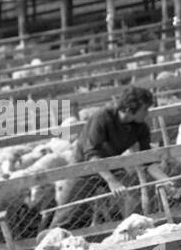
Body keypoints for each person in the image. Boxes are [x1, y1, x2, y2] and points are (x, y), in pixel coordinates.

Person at [54, 85, 170, 228]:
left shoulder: (140, 128)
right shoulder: (103, 117)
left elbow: (146, 159)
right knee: (68, 212)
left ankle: (130, 233)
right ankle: (51, 240)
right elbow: (91, 154)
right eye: (144, 109)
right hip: (83, 167)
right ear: (129, 109)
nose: (147, 113)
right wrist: (111, 181)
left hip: (111, 165)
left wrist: (165, 179)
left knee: (132, 200)